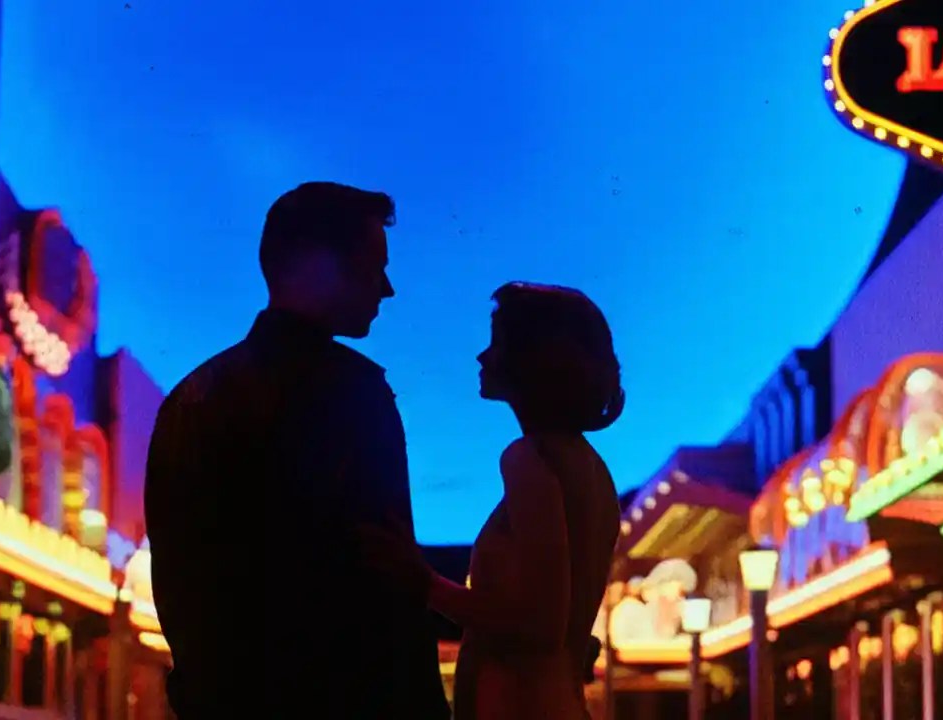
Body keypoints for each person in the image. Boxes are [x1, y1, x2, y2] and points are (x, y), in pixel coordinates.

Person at [144, 182, 449, 719]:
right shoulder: (354, 393)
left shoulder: (189, 400)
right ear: (320, 265)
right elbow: (390, 582)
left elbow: (179, 593)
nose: (387, 288)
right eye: (372, 265)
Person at [363, 282, 625, 720]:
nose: (482, 357)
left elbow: (540, 624)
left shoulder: (528, 458)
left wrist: (423, 583)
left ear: (536, 359)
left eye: (498, 343)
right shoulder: (593, 471)